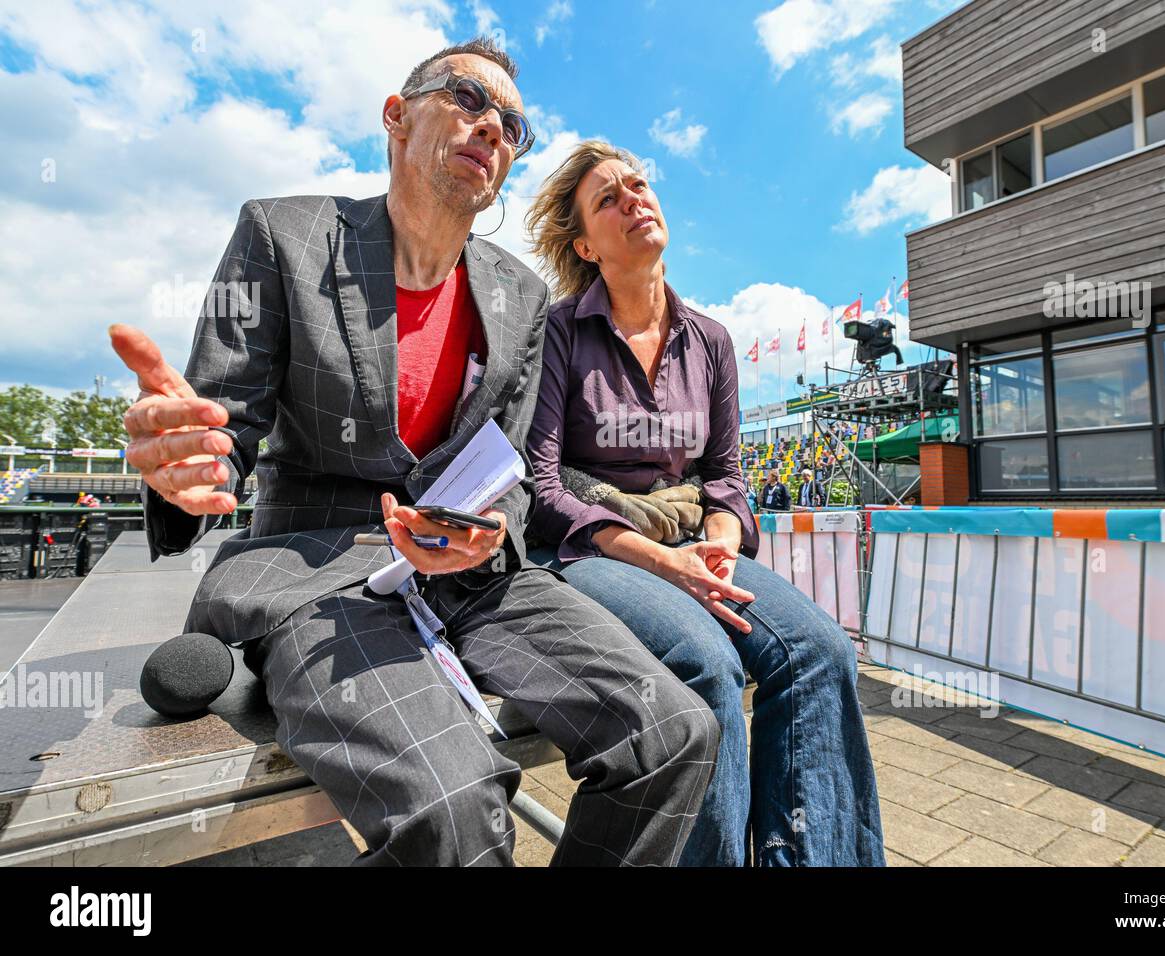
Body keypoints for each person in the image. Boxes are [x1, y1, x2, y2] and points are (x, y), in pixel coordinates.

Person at [108, 39, 717, 867]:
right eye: (468, 99)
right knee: (456, 803)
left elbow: (508, 461)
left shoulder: (521, 292)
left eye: (513, 124)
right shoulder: (280, 235)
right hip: (317, 570)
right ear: (397, 117)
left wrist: (488, 526)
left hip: (468, 573)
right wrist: (188, 465)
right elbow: (221, 433)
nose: (492, 128)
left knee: (675, 732)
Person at [522, 140, 885, 867]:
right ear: (586, 245)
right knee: (708, 664)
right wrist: (664, 561)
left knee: (821, 650)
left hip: (694, 539)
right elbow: (543, 484)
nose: (635, 200)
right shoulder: (558, 331)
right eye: (609, 199)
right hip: (592, 547)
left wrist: (718, 542)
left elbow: (726, 477)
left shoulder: (710, 339)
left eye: (639, 184)